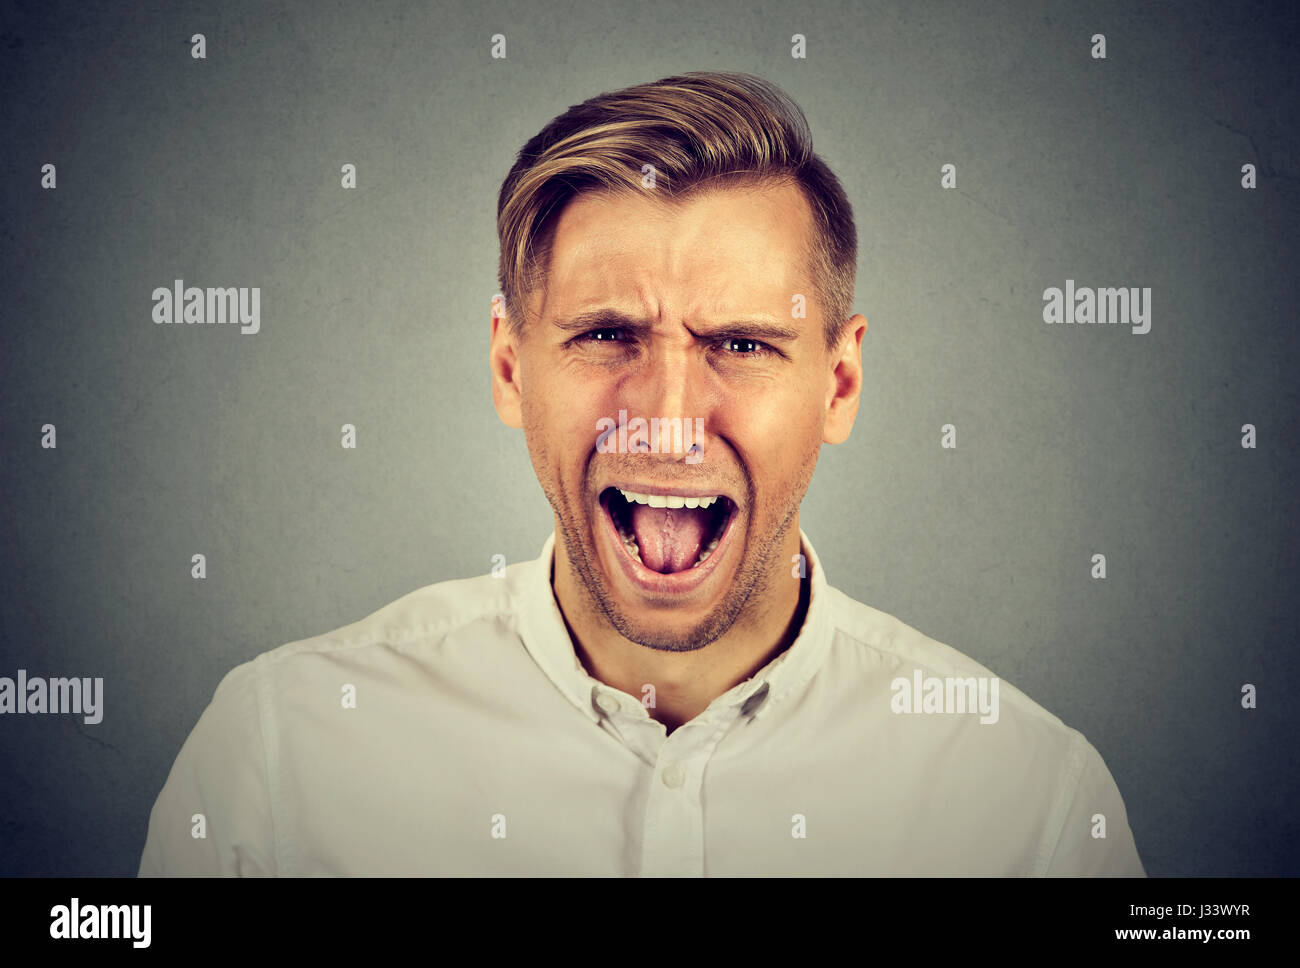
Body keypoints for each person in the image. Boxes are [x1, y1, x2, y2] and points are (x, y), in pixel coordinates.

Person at [139, 71, 1143, 876]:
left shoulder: (1031, 808)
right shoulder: (278, 760)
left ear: (839, 382)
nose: (665, 423)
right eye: (607, 333)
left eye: (741, 344)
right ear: (507, 366)